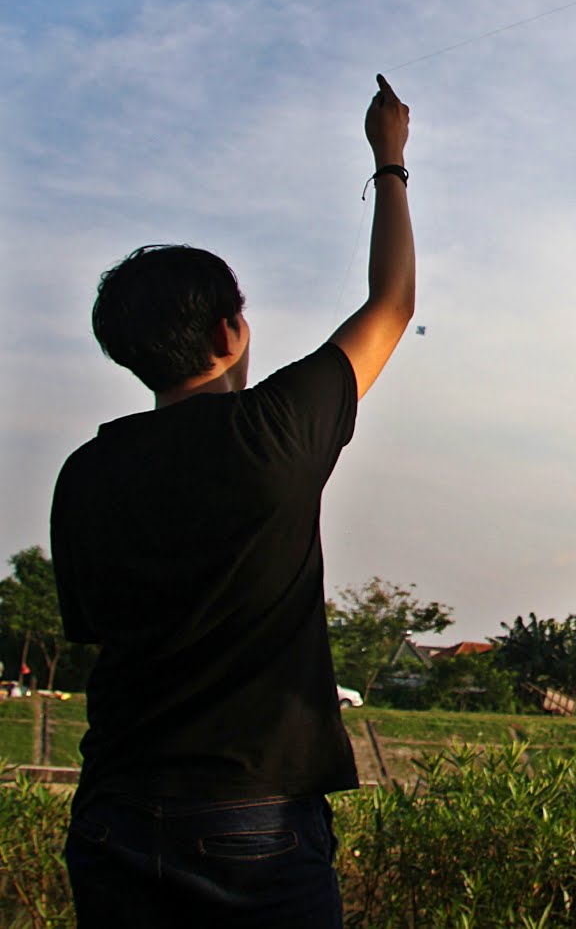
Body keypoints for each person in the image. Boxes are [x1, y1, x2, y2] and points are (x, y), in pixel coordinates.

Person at [50, 75, 414, 927]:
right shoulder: (274, 433)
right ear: (227, 334)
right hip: (254, 820)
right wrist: (389, 159)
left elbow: (98, 630)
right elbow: (392, 304)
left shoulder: (82, 474)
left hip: (114, 810)